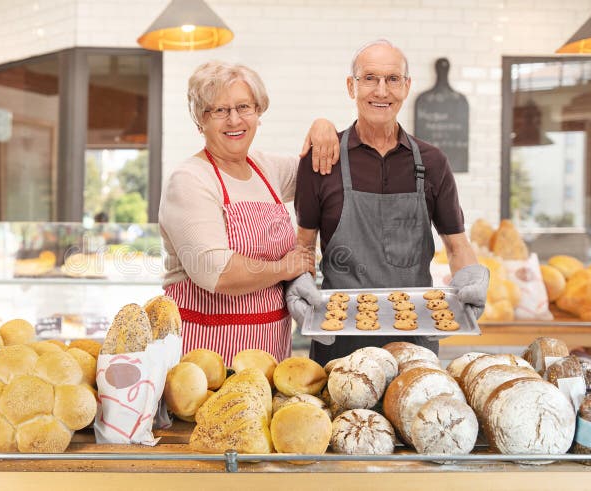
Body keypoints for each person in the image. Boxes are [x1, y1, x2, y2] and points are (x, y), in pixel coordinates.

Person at [286, 40, 489, 366]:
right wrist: (300, 281)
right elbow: (304, 246)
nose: (381, 91)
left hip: (415, 342)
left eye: (392, 79)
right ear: (351, 86)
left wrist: (470, 278)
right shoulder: (324, 159)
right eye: (369, 78)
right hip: (339, 342)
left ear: (406, 86)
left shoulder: (433, 163)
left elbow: (456, 245)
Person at [159, 61, 338, 365]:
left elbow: (323, 172)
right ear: (200, 120)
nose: (234, 120)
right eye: (219, 110)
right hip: (204, 354)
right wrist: (285, 267)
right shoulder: (190, 179)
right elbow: (216, 271)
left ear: (258, 112)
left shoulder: (267, 169)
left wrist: (324, 126)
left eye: (244, 107)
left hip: (269, 350)